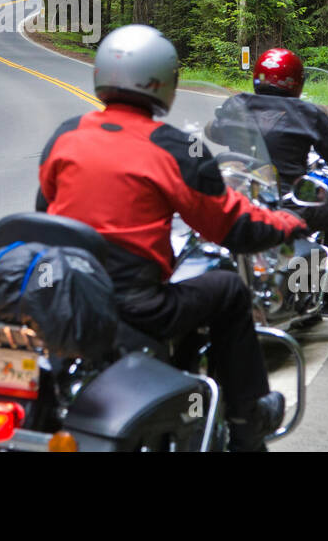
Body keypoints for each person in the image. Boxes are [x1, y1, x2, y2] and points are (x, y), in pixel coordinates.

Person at [35, 24, 309, 451]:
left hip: (60, 295)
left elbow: (45, 212)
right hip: (135, 306)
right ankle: (246, 421)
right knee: (228, 289)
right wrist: (290, 222)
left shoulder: (65, 134)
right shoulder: (174, 147)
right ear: (165, 82)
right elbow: (231, 227)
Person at [209, 47, 328, 316]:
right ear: (297, 83)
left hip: (238, 200)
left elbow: (214, 131)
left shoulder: (237, 104)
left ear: (257, 78)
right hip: (285, 205)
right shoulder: (308, 113)